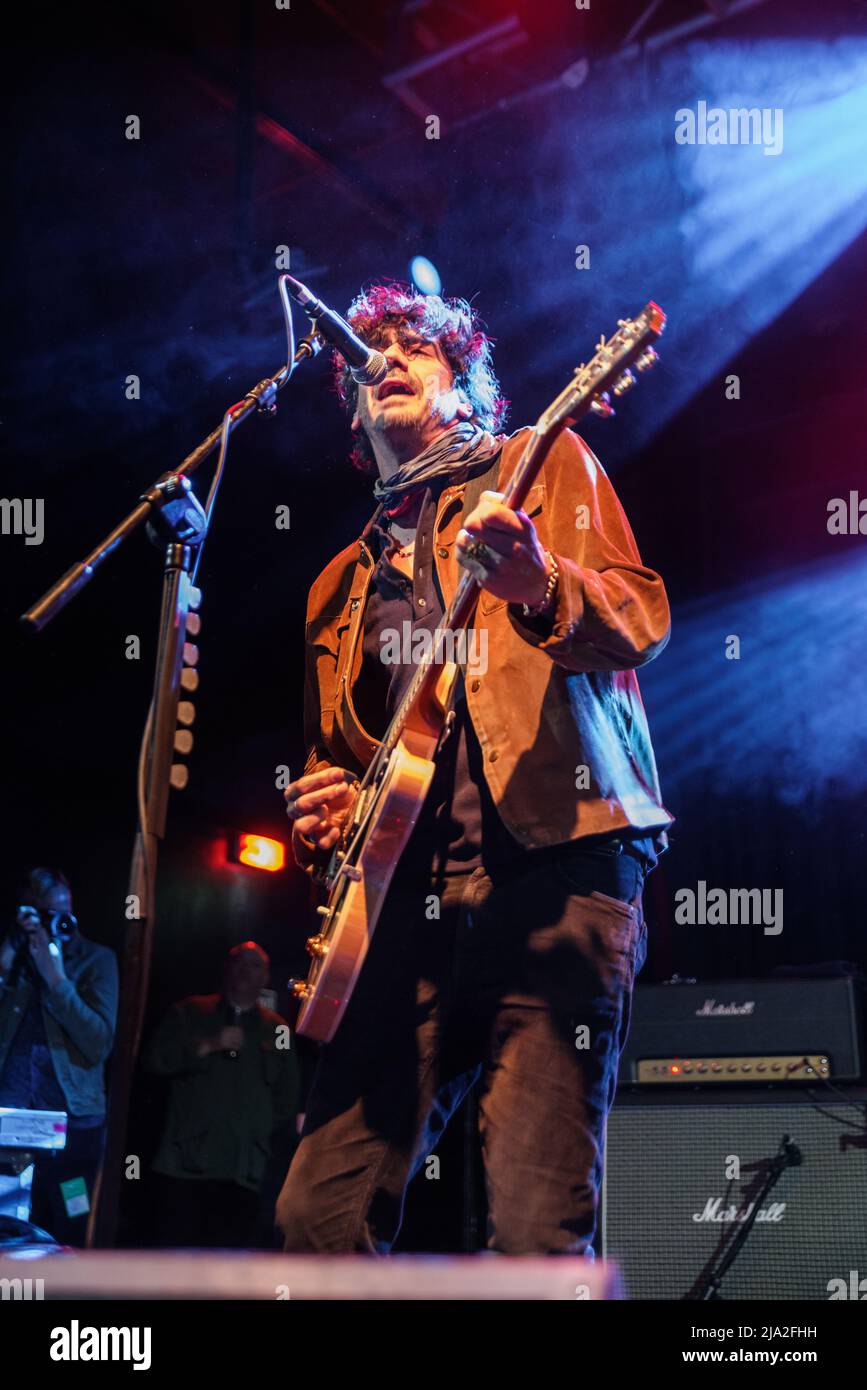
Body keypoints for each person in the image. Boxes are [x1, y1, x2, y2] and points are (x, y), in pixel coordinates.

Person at [278, 283, 673, 1255]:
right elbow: (352, 766)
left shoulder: (540, 465)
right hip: (400, 921)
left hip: (554, 879)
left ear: (469, 389)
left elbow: (638, 619)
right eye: (372, 354)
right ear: (356, 407)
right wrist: (321, 812)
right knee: (313, 1220)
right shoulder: (340, 580)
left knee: (535, 1234)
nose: (390, 360)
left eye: (418, 346)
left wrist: (537, 581)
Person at [144, 941, 299, 1248]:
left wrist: (257, 1130)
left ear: (266, 977)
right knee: (177, 1260)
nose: (246, 970)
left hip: (243, 1171)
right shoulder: (190, 1012)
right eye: (239, 961)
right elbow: (155, 1061)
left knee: (228, 1265)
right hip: (186, 1165)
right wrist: (207, 1045)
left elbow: (288, 1096)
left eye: (255, 965)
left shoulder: (277, 1030)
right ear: (227, 968)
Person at [0, 867, 118, 1245]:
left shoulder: (95, 960)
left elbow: (99, 1043)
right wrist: (5, 967)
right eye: (43, 913)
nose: (56, 922)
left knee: (72, 1218)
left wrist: (56, 980)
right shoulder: (12, 958)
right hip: (11, 1125)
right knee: (9, 1225)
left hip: (73, 1128)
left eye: (61, 912)